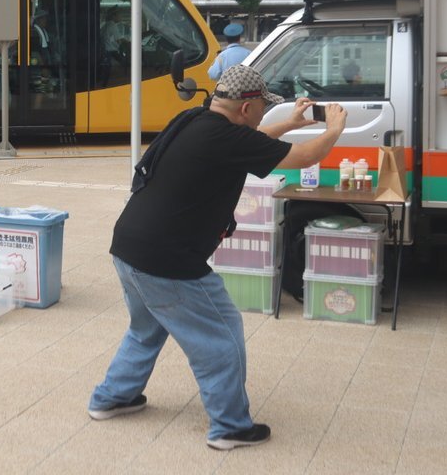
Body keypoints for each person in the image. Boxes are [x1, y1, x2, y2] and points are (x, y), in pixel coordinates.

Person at [88, 64, 348, 449]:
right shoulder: (225, 138)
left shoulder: (196, 120)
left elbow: (255, 143)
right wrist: (334, 130)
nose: (264, 113)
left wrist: (291, 123)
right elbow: (306, 158)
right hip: (168, 262)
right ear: (245, 108)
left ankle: (111, 398)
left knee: (146, 329)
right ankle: (230, 427)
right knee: (221, 337)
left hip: (129, 248)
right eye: (263, 106)